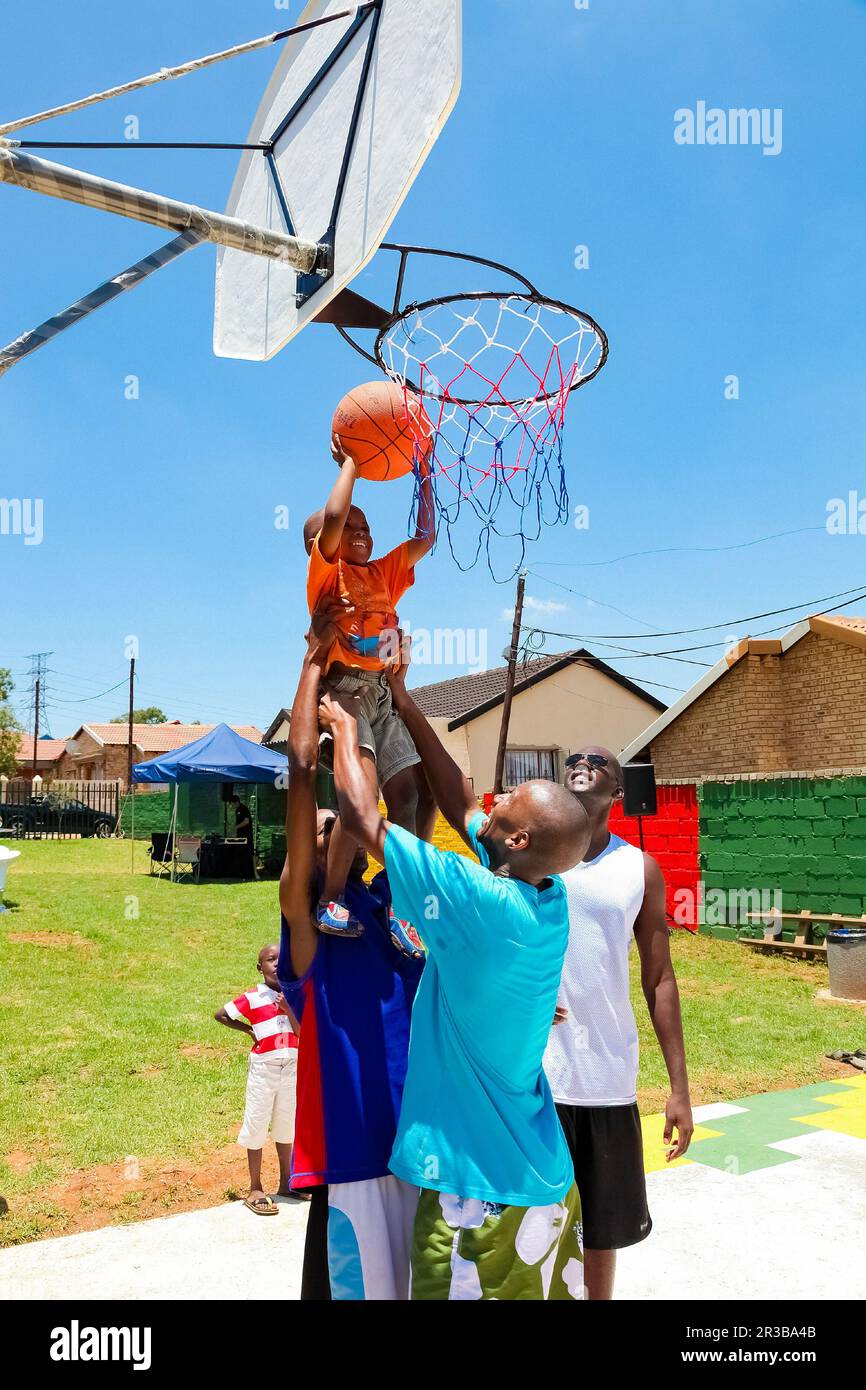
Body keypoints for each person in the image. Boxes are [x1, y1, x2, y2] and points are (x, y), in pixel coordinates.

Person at [318, 648, 592, 1301]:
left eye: (509, 805)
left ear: (519, 842)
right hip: (545, 1187)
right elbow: (459, 800)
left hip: (478, 1203)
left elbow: (362, 820)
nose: (491, 804)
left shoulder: (481, 901)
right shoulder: (546, 895)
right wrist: (407, 703)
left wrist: (349, 725)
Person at [278, 617, 424, 1300]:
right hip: (359, 1166)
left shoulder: (392, 907)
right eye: (311, 834)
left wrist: (394, 691)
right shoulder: (309, 935)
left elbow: (388, 798)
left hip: (426, 1148)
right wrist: (317, 669)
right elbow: (311, 776)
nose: (325, 828)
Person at [543, 746, 694, 1300]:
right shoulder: (527, 852)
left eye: (598, 762)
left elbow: (660, 979)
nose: (582, 763)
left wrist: (679, 1089)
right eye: (574, 758)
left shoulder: (638, 869)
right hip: (532, 1074)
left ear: (618, 794)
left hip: (604, 1074)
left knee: (600, 1227)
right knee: (529, 1221)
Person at [303, 432, 436, 939]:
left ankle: (400, 901)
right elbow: (333, 520)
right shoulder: (326, 573)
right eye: (349, 526)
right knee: (357, 804)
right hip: (345, 694)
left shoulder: (385, 573)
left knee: (410, 796)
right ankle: (332, 898)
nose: (359, 531)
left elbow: (425, 536)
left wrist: (422, 472)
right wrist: (353, 465)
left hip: (382, 694)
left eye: (366, 526)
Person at [214, 944, 300, 1216]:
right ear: (259, 967)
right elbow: (221, 1014)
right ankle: (255, 1186)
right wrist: (249, 1030)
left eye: (280, 959)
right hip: (264, 1067)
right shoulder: (253, 997)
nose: (276, 963)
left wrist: (289, 1010)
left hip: (292, 1065)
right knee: (258, 1121)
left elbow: (305, 1029)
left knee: (286, 1125)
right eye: (269, 960)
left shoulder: (295, 995)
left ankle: (286, 1182)